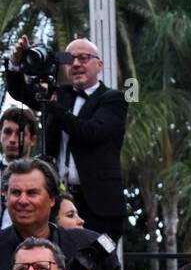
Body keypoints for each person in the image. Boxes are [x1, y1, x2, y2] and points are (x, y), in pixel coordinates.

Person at [6, 35, 127, 239]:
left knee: (96, 263)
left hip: (99, 204)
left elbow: (90, 132)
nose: (76, 64)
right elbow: (20, 92)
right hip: (59, 200)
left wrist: (54, 107)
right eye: (70, 59)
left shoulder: (114, 99)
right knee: (56, 259)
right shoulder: (59, 94)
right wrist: (16, 62)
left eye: (84, 58)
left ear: (100, 64)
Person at [0, 158, 136, 270]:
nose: (22, 200)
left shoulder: (90, 243)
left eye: (32, 193)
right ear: (5, 197)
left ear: (51, 199)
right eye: (15, 193)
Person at [0, 105, 37, 226]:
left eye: (19, 134)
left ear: (33, 140)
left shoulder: (41, 176)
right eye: (7, 132)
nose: (12, 139)